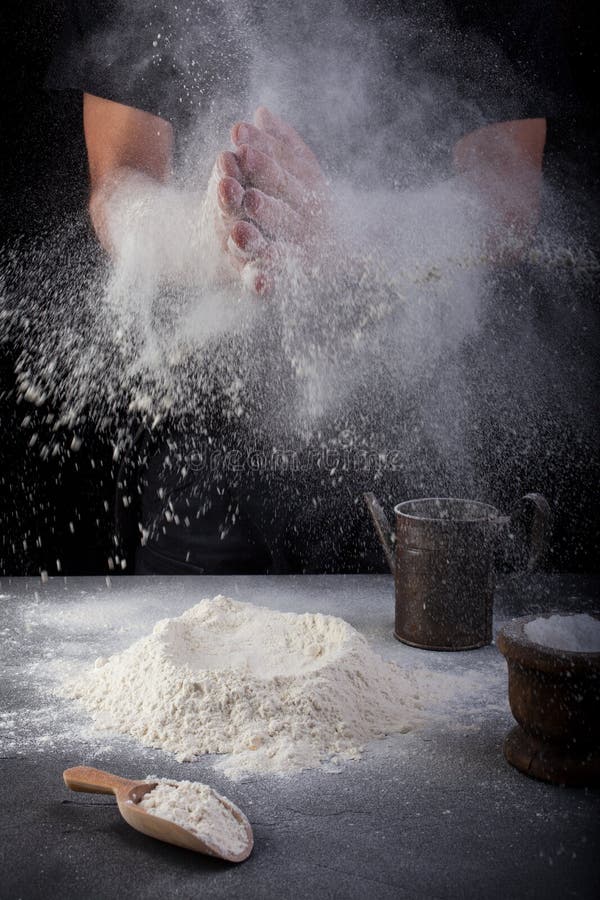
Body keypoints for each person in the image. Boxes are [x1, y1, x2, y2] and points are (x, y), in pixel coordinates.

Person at [46, 0, 571, 574]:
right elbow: (121, 184)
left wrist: (351, 231)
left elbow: (505, 201)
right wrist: (208, 237)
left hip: (418, 443)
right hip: (205, 441)